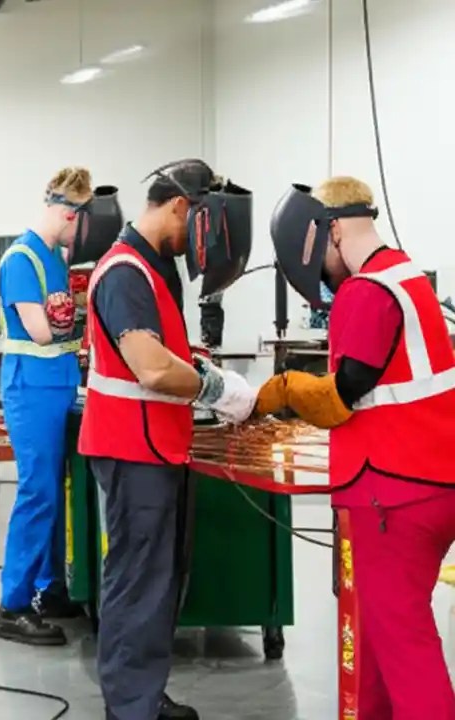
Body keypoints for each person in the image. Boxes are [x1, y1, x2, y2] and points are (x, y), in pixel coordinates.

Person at [257, 176, 455, 719]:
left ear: (333, 229)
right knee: (378, 635)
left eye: (321, 257)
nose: (322, 275)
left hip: (394, 492)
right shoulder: (407, 275)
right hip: (429, 481)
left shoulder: (366, 291)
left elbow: (343, 394)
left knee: (405, 642)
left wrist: (283, 390)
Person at [80, 159, 256, 720]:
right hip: (133, 452)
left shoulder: (155, 269)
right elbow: (153, 369)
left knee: (161, 580)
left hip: (157, 447)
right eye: (202, 222)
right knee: (138, 581)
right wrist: (214, 388)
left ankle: (144, 696)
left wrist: (204, 371)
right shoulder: (126, 272)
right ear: (181, 206)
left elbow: (170, 354)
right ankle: (131, 708)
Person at [0, 167, 123, 646]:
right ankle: (13, 605)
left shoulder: (54, 256)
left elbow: (60, 323)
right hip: (31, 389)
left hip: (59, 383)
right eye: (80, 224)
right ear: (70, 214)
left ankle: (49, 589)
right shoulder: (22, 258)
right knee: (37, 492)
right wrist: (91, 316)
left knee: (56, 489)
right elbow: (43, 330)